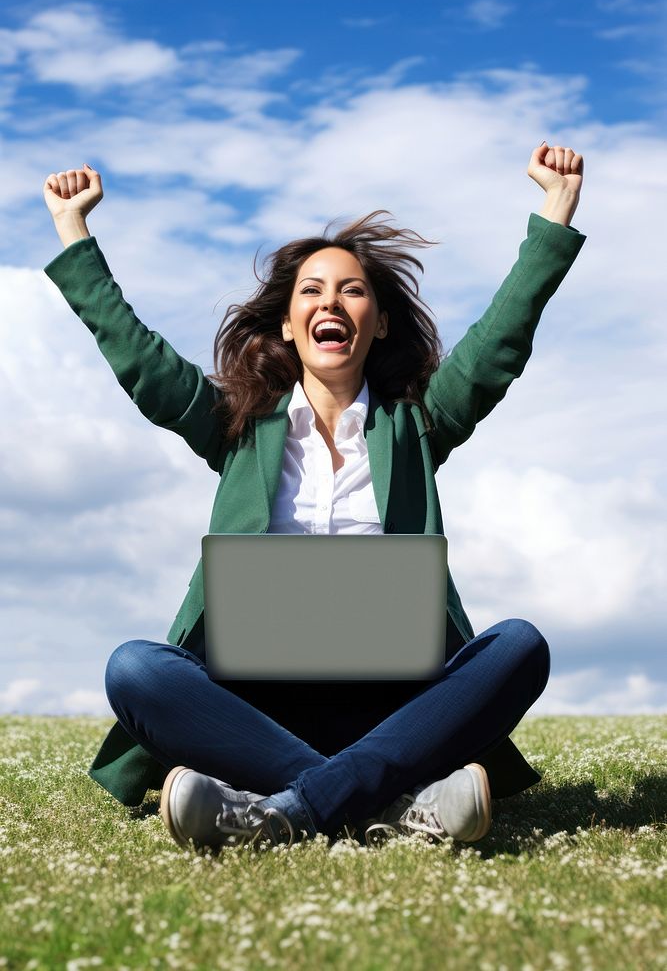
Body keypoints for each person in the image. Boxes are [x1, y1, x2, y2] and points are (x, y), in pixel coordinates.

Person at [43, 143, 586, 850]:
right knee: (135, 669)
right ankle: (384, 799)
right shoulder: (235, 425)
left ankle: (280, 808)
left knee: (519, 645)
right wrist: (73, 230)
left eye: (352, 290)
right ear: (288, 325)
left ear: (379, 322)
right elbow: (139, 358)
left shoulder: (417, 424)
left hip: (394, 702)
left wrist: (555, 207)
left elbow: (499, 337)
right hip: (257, 705)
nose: (331, 301)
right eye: (311, 291)